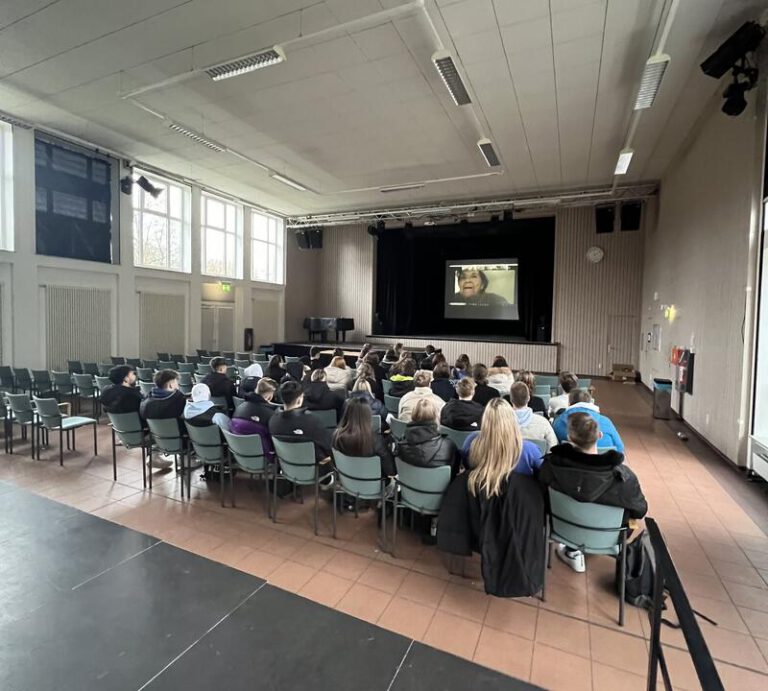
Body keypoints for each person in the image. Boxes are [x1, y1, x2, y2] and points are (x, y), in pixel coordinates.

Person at [436, 406, 546, 597]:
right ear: (512, 422)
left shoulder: (472, 443)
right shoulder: (529, 450)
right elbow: (541, 477)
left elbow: (467, 465)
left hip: (478, 511)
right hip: (515, 519)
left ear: (484, 422)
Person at [539, 412, 647, 573]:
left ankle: (571, 550)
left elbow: (541, 496)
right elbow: (640, 510)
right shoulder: (624, 479)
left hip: (561, 529)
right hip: (607, 537)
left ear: (569, 437)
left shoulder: (551, 467)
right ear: (600, 435)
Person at [461, 398, 543, 475]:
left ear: (485, 419)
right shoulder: (529, 450)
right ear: (512, 419)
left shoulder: (471, 441)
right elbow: (542, 474)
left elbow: (467, 465)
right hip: (518, 485)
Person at [269, 380, 333, 464]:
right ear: (299, 400)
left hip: (286, 465)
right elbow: (328, 446)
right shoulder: (311, 421)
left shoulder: (273, 420)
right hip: (314, 466)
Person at [333, 397, 395, 477]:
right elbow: (390, 471)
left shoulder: (337, 436)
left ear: (346, 414)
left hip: (347, 480)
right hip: (374, 482)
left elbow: (335, 462)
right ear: (368, 416)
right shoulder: (376, 441)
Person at [396, 399, 459, 474]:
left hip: (408, 481)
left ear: (413, 416)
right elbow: (454, 472)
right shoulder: (449, 446)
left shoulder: (400, 445)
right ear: (435, 417)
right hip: (438, 481)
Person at [140, 369, 187, 467]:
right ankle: (186, 459)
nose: (178, 385)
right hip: (179, 441)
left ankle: (154, 455)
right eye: (176, 382)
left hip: (157, 438)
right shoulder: (179, 399)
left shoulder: (146, 401)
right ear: (171, 385)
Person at [553, 390, 625, 452]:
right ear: (590, 402)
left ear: (569, 403)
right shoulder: (606, 421)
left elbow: (553, 446)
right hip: (606, 461)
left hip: (570, 462)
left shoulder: (558, 422)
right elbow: (620, 447)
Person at [508, 382, 558, 450]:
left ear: (511, 400)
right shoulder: (543, 423)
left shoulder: (501, 424)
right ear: (528, 398)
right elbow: (553, 446)